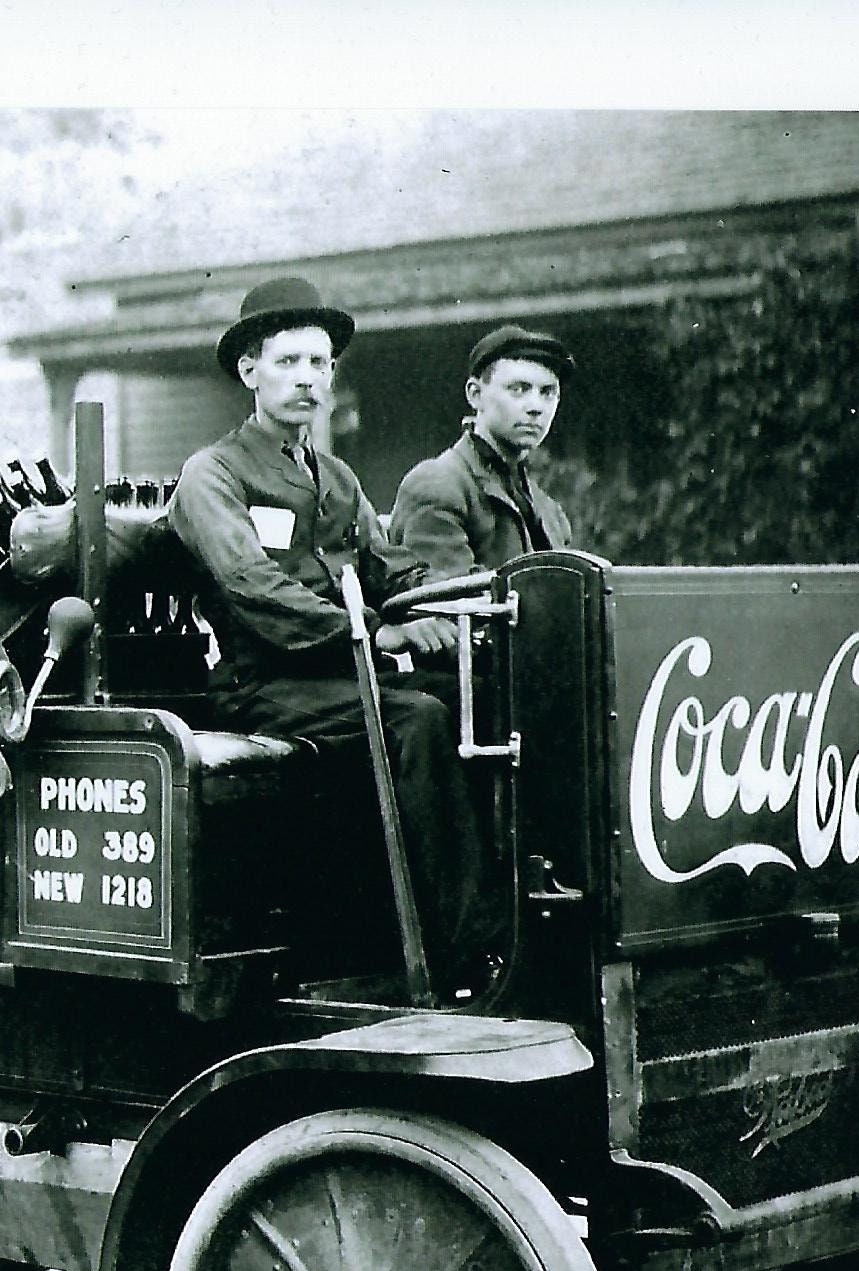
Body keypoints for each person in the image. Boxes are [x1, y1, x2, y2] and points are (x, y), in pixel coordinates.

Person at [169, 277, 492, 997]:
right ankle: (467, 953)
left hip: (343, 677)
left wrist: (447, 604)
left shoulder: (338, 479)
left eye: (321, 364)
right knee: (419, 716)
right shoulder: (213, 474)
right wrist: (375, 632)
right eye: (288, 362)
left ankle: (513, 920)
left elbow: (389, 565)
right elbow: (252, 586)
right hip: (265, 686)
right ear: (249, 372)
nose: (308, 379)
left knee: (479, 697)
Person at [389, 324, 575, 578]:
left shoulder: (548, 511)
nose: (536, 407)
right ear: (475, 395)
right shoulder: (437, 486)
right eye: (518, 389)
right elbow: (446, 601)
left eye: (547, 392)